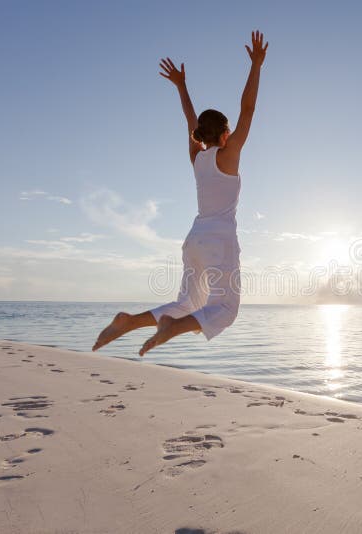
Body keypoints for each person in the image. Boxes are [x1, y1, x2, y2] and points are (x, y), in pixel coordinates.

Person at [92, 30, 268, 357]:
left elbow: (191, 120)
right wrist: (256, 65)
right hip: (218, 239)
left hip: (194, 240)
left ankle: (130, 321)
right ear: (226, 135)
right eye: (230, 130)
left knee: (188, 302)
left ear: (202, 135)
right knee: (225, 308)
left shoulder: (196, 157)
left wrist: (181, 86)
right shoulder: (227, 156)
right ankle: (171, 326)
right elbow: (248, 109)